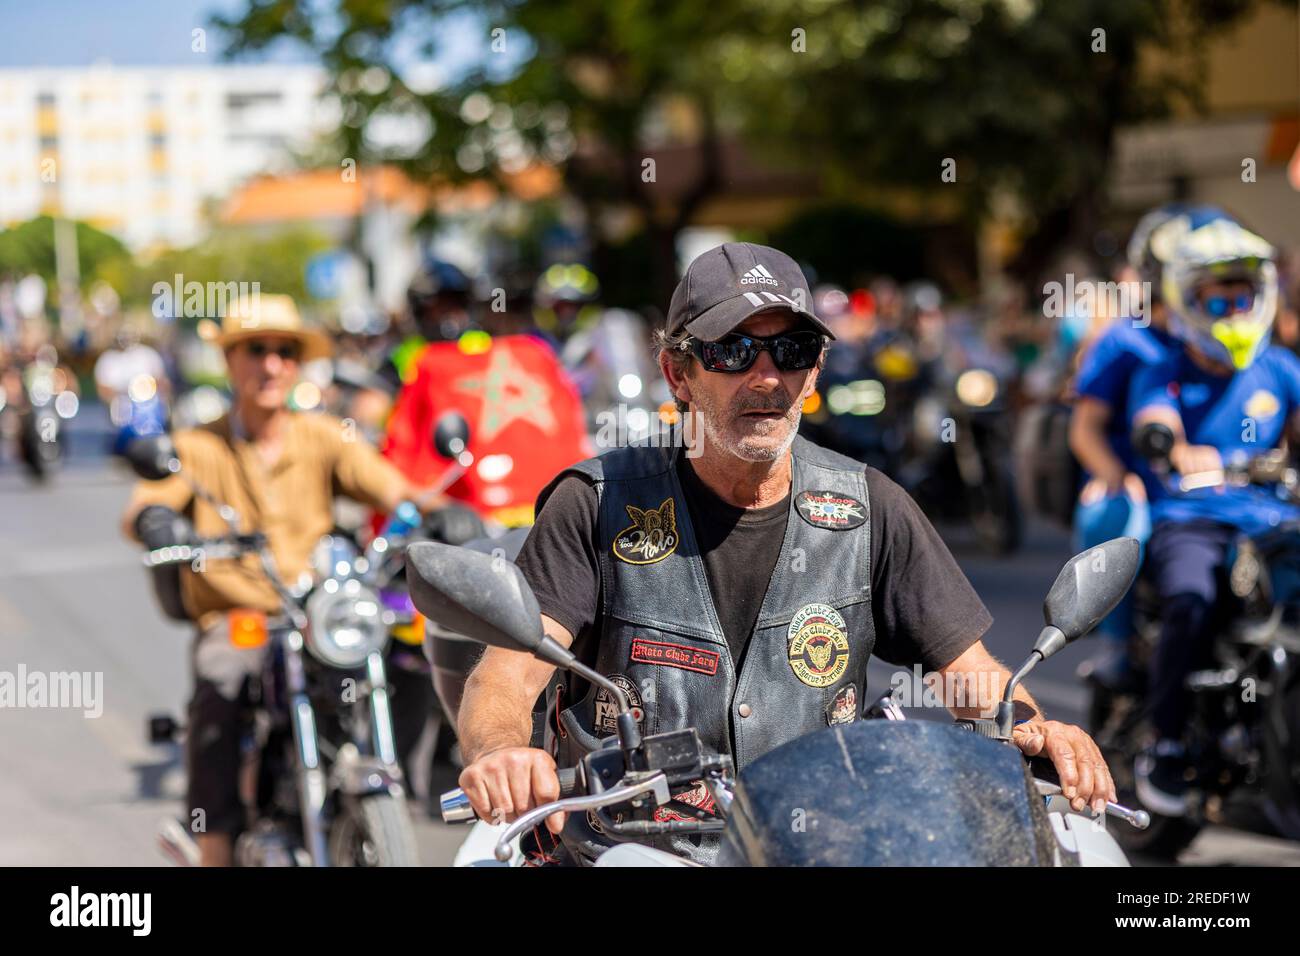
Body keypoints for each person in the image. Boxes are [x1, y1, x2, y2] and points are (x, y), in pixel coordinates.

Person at [453, 241, 1116, 865]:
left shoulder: (869, 508)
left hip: (815, 848)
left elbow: (969, 675)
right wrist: (504, 752)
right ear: (678, 373)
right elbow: (507, 673)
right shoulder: (594, 505)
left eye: (791, 349)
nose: (767, 377)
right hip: (630, 850)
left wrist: (1034, 726)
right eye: (733, 351)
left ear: (816, 369)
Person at [120, 295, 420, 866]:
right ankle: (214, 846)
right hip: (244, 617)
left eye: (285, 352)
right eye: (255, 350)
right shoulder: (197, 444)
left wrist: (437, 513)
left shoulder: (325, 435)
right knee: (221, 683)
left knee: (402, 657)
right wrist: (155, 519)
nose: (271, 364)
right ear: (230, 361)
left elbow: (394, 489)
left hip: (320, 610)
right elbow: (144, 505)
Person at [1128, 210, 1295, 816]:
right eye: (1216, 299)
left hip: (1272, 521)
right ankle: (1165, 742)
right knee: (1191, 602)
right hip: (1192, 517)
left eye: (1242, 295)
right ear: (1189, 301)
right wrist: (1174, 447)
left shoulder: (1279, 369)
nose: (1232, 309)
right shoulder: (1162, 372)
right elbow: (1155, 426)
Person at [1067, 205, 1214, 686]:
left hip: (1213, 486)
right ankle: (1119, 645)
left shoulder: (1235, 336)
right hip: (1143, 487)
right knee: (1117, 516)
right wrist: (1115, 475)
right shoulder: (1124, 340)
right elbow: (1084, 429)